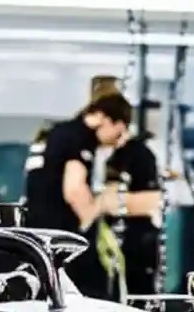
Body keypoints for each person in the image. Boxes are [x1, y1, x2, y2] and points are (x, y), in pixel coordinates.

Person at [22, 92, 135, 299]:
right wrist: (98, 207)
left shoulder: (56, 133)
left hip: (37, 233)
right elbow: (74, 191)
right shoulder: (79, 138)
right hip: (62, 239)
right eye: (118, 133)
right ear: (105, 119)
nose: (116, 142)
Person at [102, 132, 165, 298]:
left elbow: (151, 200)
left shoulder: (139, 154)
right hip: (115, 237)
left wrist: (112, 203)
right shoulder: (110, 154)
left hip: (137, 238)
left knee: (139, 291)